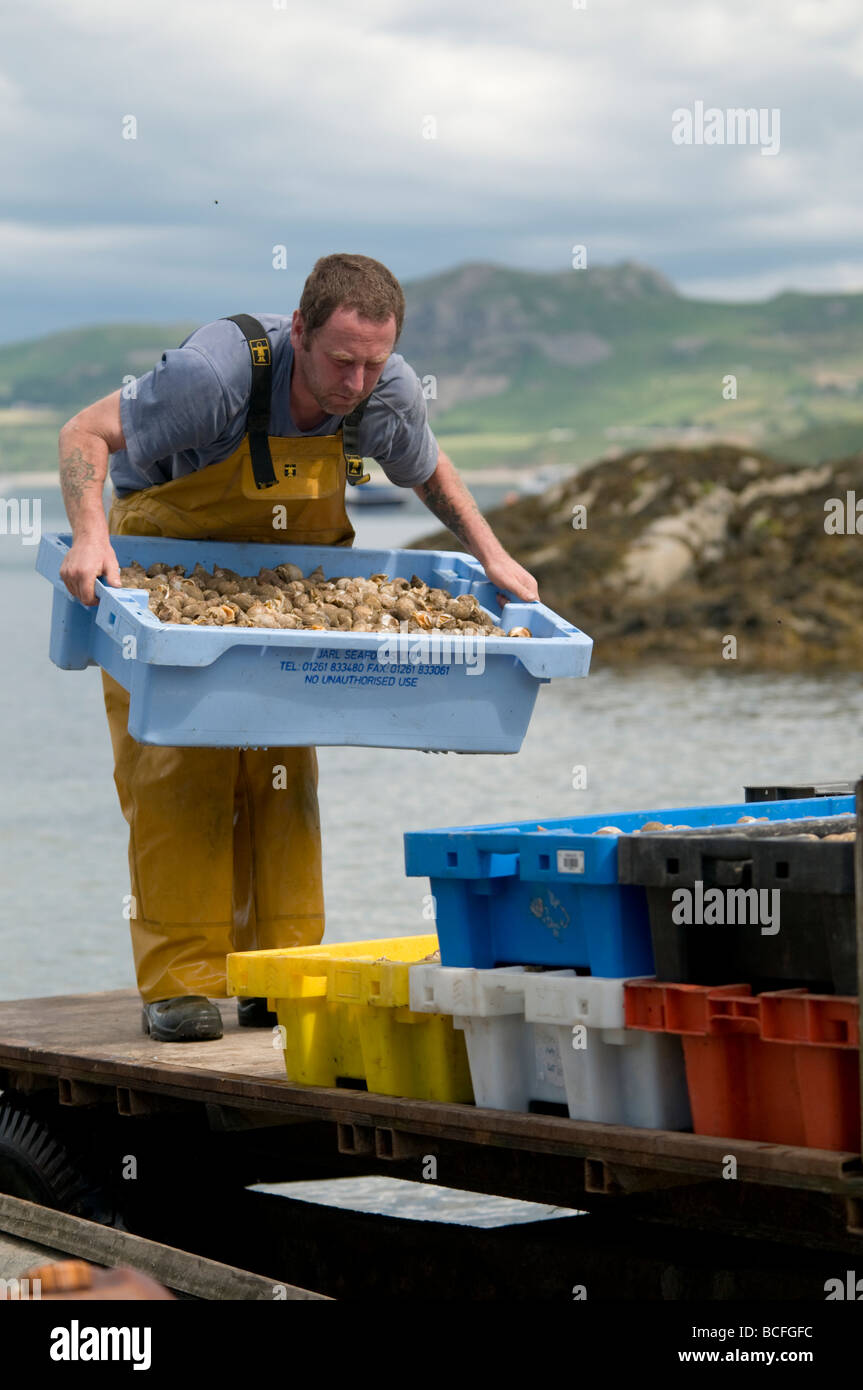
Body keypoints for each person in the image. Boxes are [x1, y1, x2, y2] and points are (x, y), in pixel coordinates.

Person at [57, 253, 539, 1042]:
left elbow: (425, 468)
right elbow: (85, 433)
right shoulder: (216, 375)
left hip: (288, 600)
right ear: (300, 329)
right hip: (167, 574)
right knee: (179, 773)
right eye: (340, 361)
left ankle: (275, 972)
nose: (354, 383)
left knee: (283, 782)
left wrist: (491, 553)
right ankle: (178, 985)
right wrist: (88, 538)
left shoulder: (384, 389)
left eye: (372, 363)